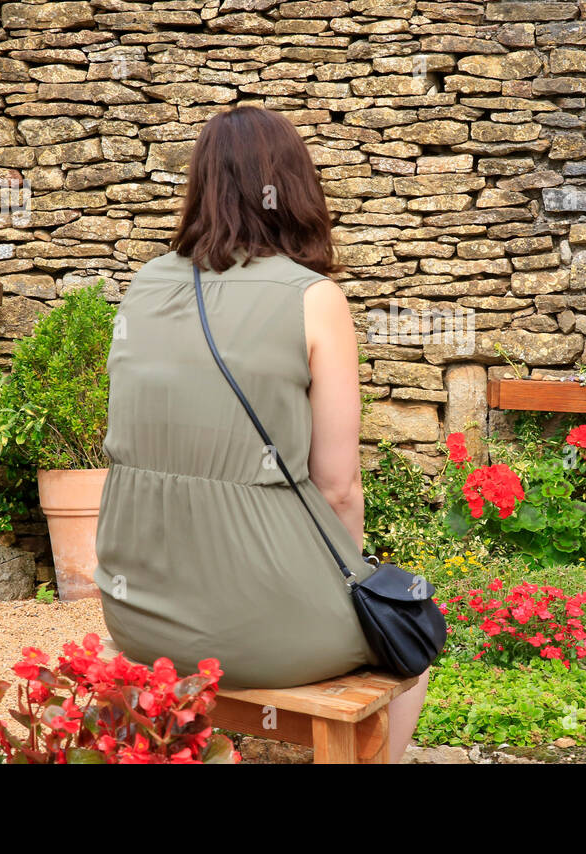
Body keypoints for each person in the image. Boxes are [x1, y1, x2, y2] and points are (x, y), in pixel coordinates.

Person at [93, 105, 428, 763]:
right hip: (266, 633)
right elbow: (337, 489)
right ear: (295, 187)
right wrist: (349, 586)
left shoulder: (143, 287)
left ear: (200, 185)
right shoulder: (312, 299)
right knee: (412, 628)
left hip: (136, 618)